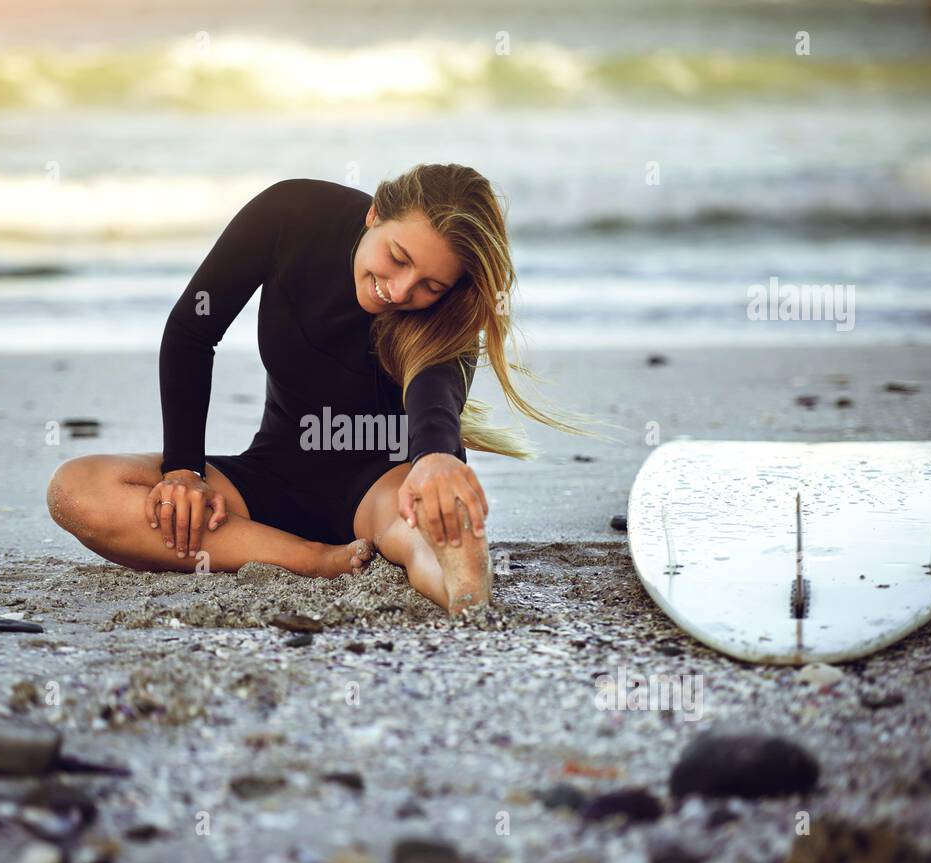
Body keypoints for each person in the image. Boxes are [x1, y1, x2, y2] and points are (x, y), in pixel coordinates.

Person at [47, 163, 593, 613]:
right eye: (397, 257)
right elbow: (194, 329)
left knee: (437, 541)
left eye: (429, 284)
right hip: (265, 478)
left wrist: (433, 459)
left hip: (383, 485)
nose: (400, 290)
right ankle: (311, 558)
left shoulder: (448, 314)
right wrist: (184, 472)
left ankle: (461, 590)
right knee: (78, 489)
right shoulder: (291, 216)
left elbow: (435, 391)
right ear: (375, 213)